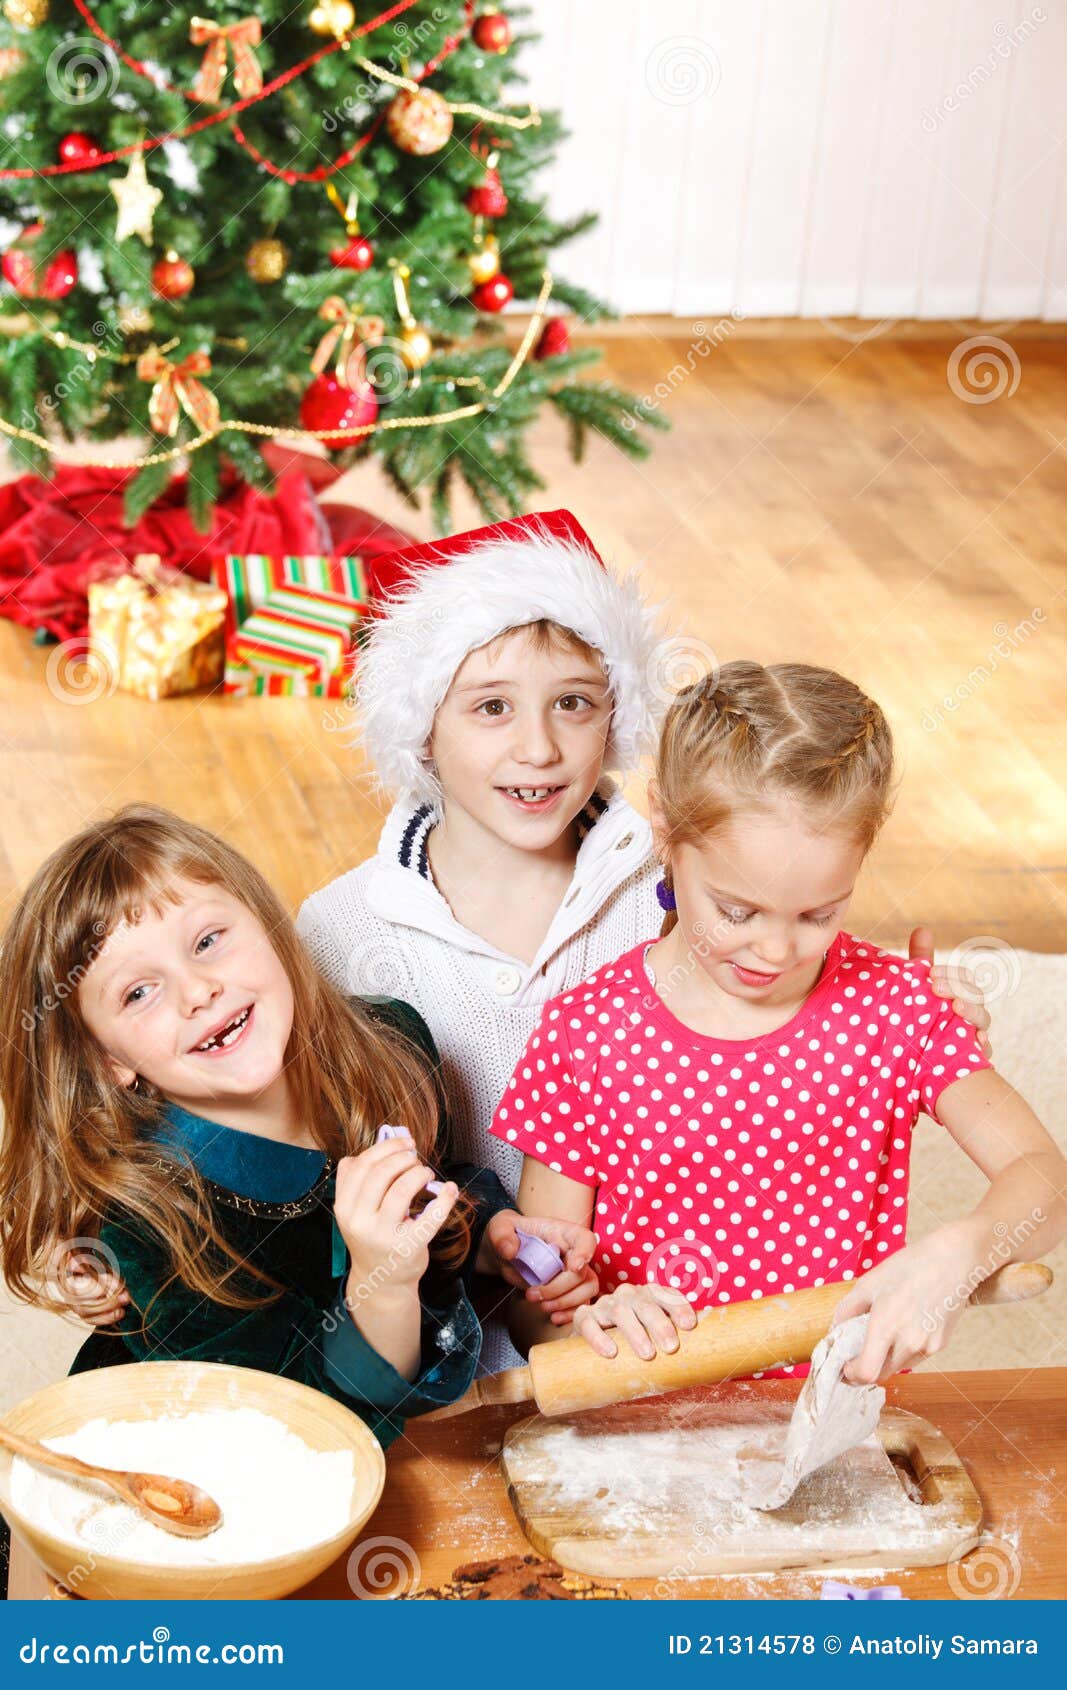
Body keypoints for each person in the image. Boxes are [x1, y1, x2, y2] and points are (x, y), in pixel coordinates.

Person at [491, 662, 1067, 1384]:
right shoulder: (583, 1034)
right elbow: (534, 1308)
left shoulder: (896, 1009)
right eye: (736, 910)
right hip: (635, 1434)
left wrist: (963, 1248)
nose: (773, 949)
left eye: (817, 914)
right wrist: (590, 1318)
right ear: (664, 830)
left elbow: (1043, 1179)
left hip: (829, 1424)